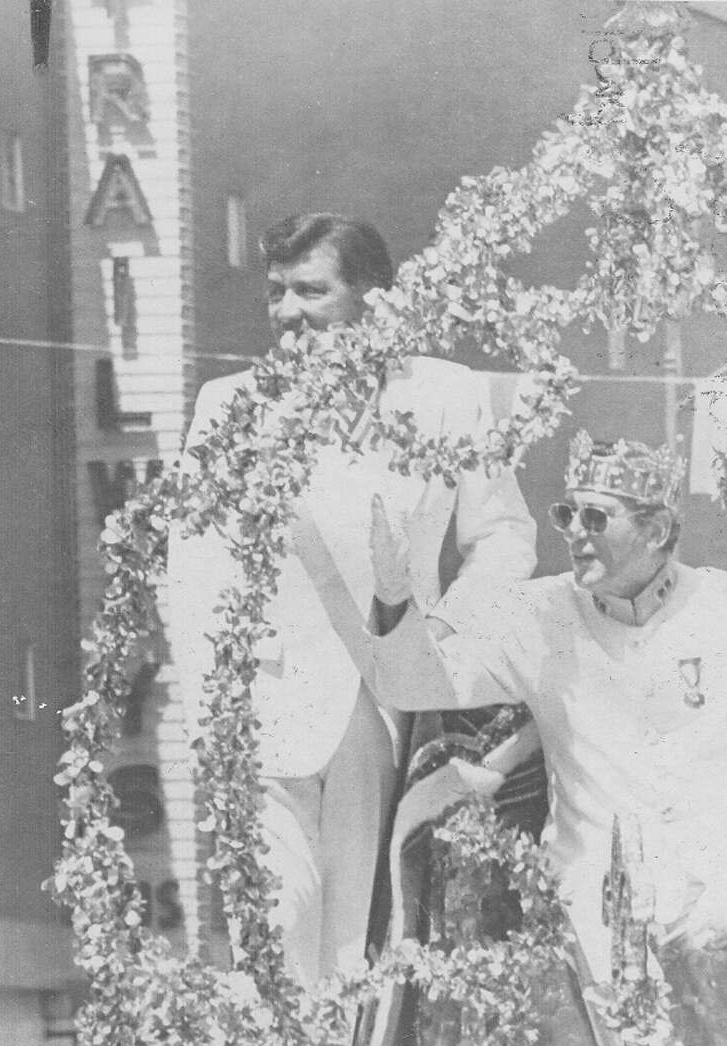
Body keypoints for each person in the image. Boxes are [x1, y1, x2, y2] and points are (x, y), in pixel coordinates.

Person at [302, 431, 727, 1046]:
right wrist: (396, 593)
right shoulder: (538, 615)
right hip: (599, 883)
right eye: (565, 514)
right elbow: (414, 684)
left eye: (595, 518)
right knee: (606, 920)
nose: (572, 534)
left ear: (659, 529)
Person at [168, 211, 537, 989]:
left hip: (389, 707)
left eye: (311, 290)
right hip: (263, 714)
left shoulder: (447, 396)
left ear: (373, 299)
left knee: (361, 953)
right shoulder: (229, 405)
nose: (287, 312)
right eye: (277, 293)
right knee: (274, 933)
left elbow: (504, 538)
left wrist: (447, 643)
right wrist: (213, 715)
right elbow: (191, 575)